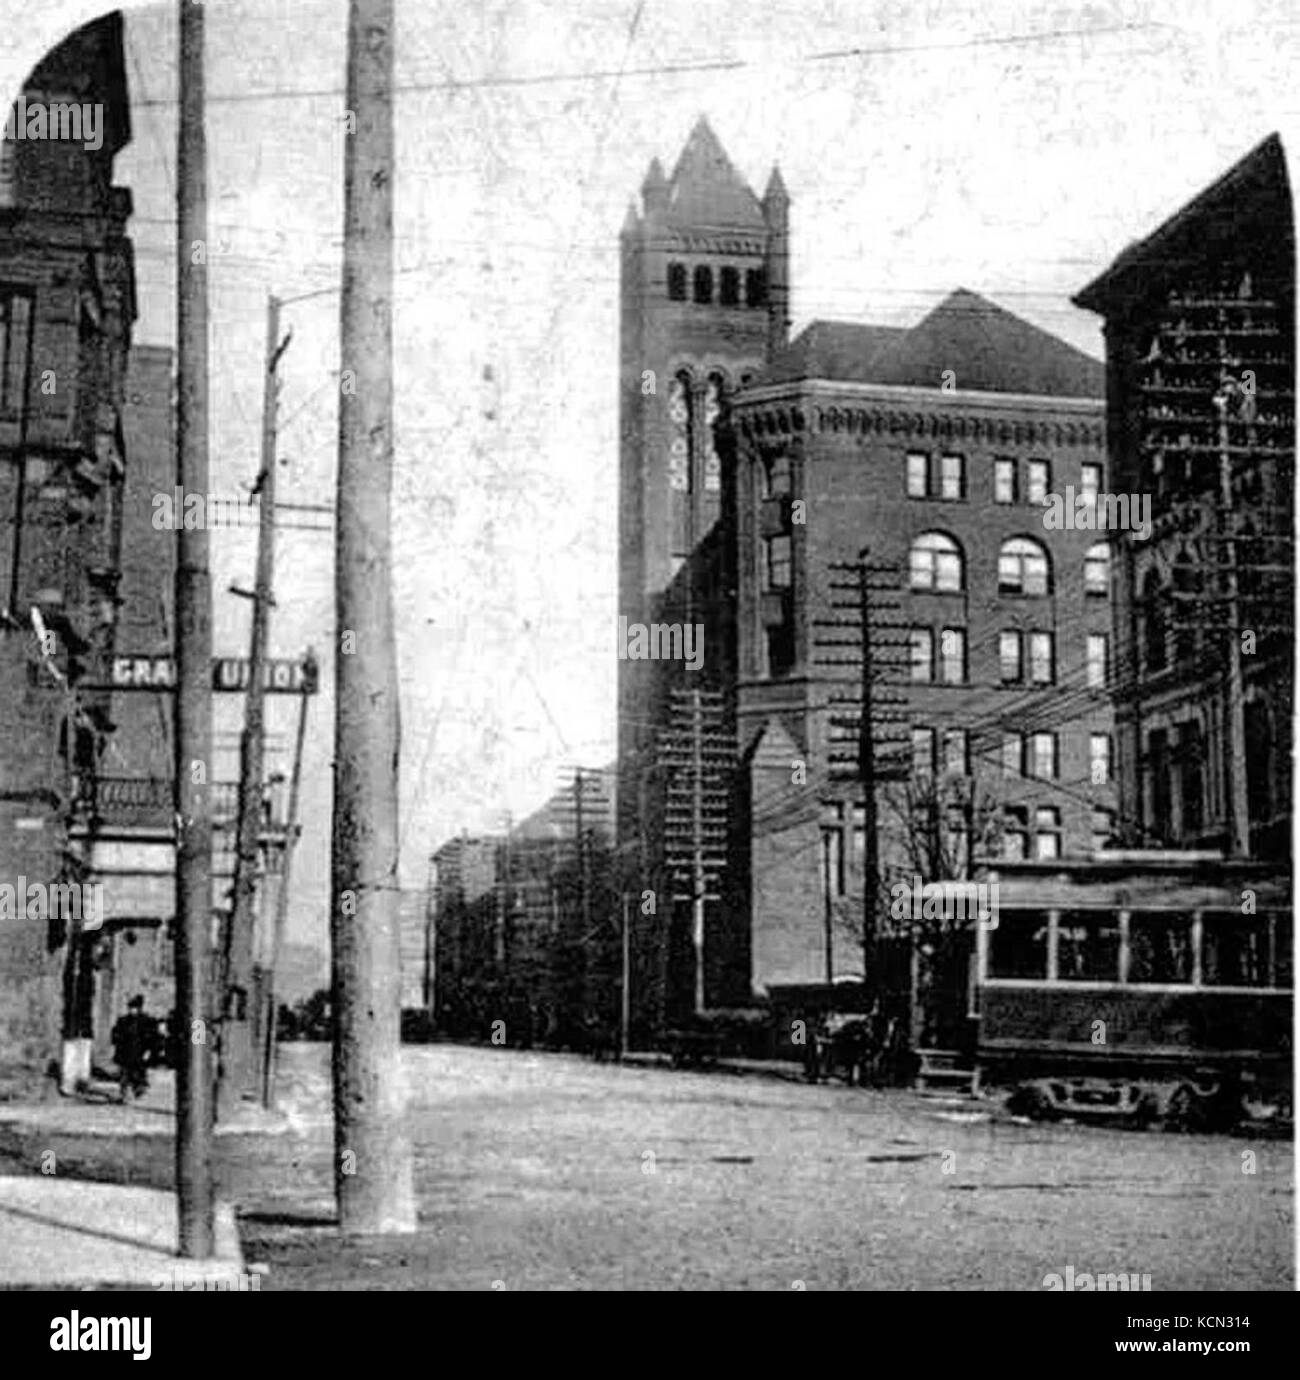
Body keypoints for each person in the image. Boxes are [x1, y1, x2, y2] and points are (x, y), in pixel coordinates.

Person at [111, 995, 154, 1102]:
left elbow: (151, 1037)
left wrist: (149, 1051)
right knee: (124, 1075)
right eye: (130, 1008)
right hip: (125, 1052)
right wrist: (117, 1045)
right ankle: (124, 1094)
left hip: (139, 1052)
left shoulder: (145, 1021)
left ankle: (139, 1089)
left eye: (134, 1008)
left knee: (138, 1074)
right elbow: (116, 1034)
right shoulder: (123, 1020)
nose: (132, 1011)